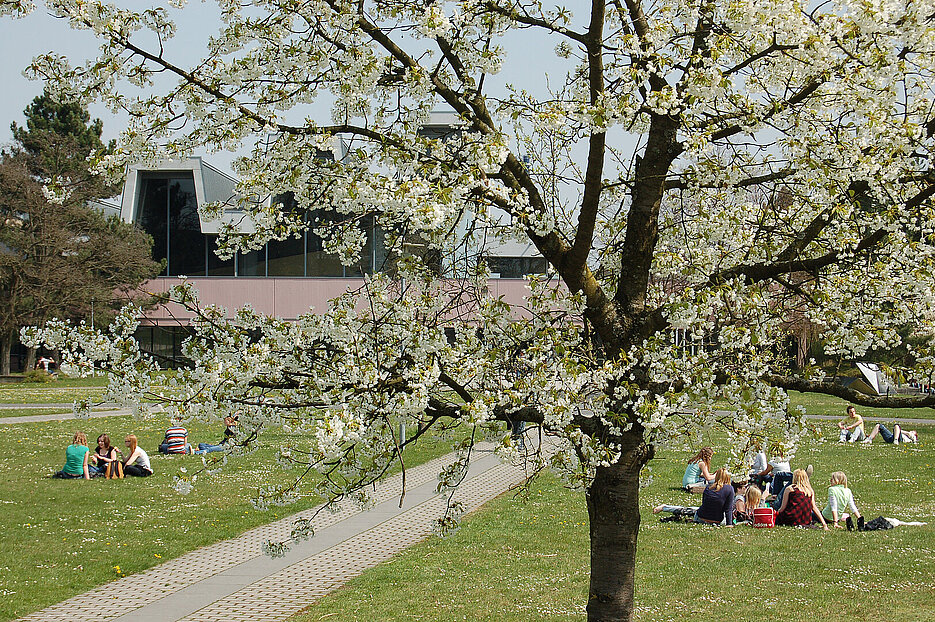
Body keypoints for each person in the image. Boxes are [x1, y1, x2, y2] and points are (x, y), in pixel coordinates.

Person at [656, 468, 735, 526]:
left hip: (700, 517)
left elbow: (705, 504)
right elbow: (728, 509)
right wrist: (729, 524)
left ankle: (665, 508)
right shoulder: (729, 489)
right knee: (731, 517)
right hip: (716, 520)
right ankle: (666, 509)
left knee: (691, 509)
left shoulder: (708, 487)